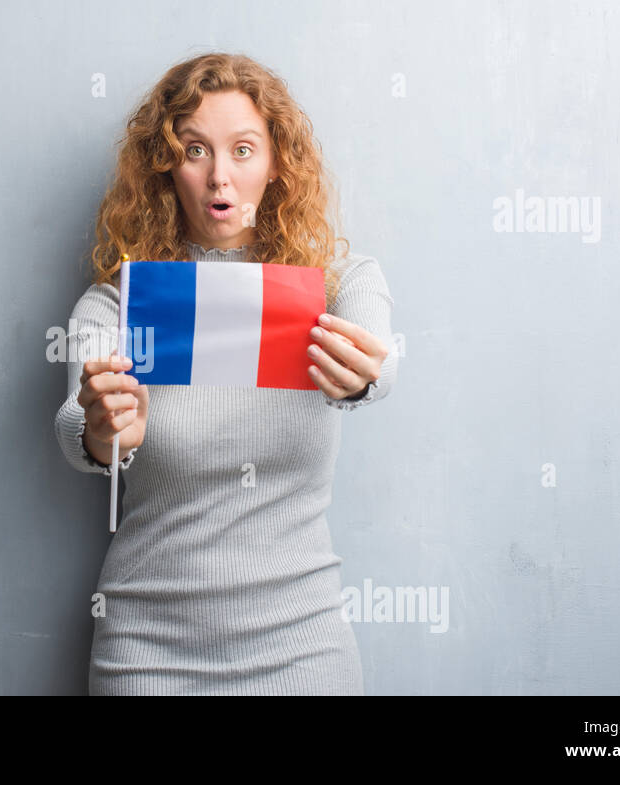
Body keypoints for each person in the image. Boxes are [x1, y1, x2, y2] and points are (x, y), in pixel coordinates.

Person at [53, 52, 398, 695]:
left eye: (243, 150)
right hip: (146, 650)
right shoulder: (116, 307)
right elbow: (77, 425)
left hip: (302, 647)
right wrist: (104, 429)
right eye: (194, 151)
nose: (220, 177)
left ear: (276, 165)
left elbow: (378, 349)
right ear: (166, 169)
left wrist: (366, 373)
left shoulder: (337, 285)